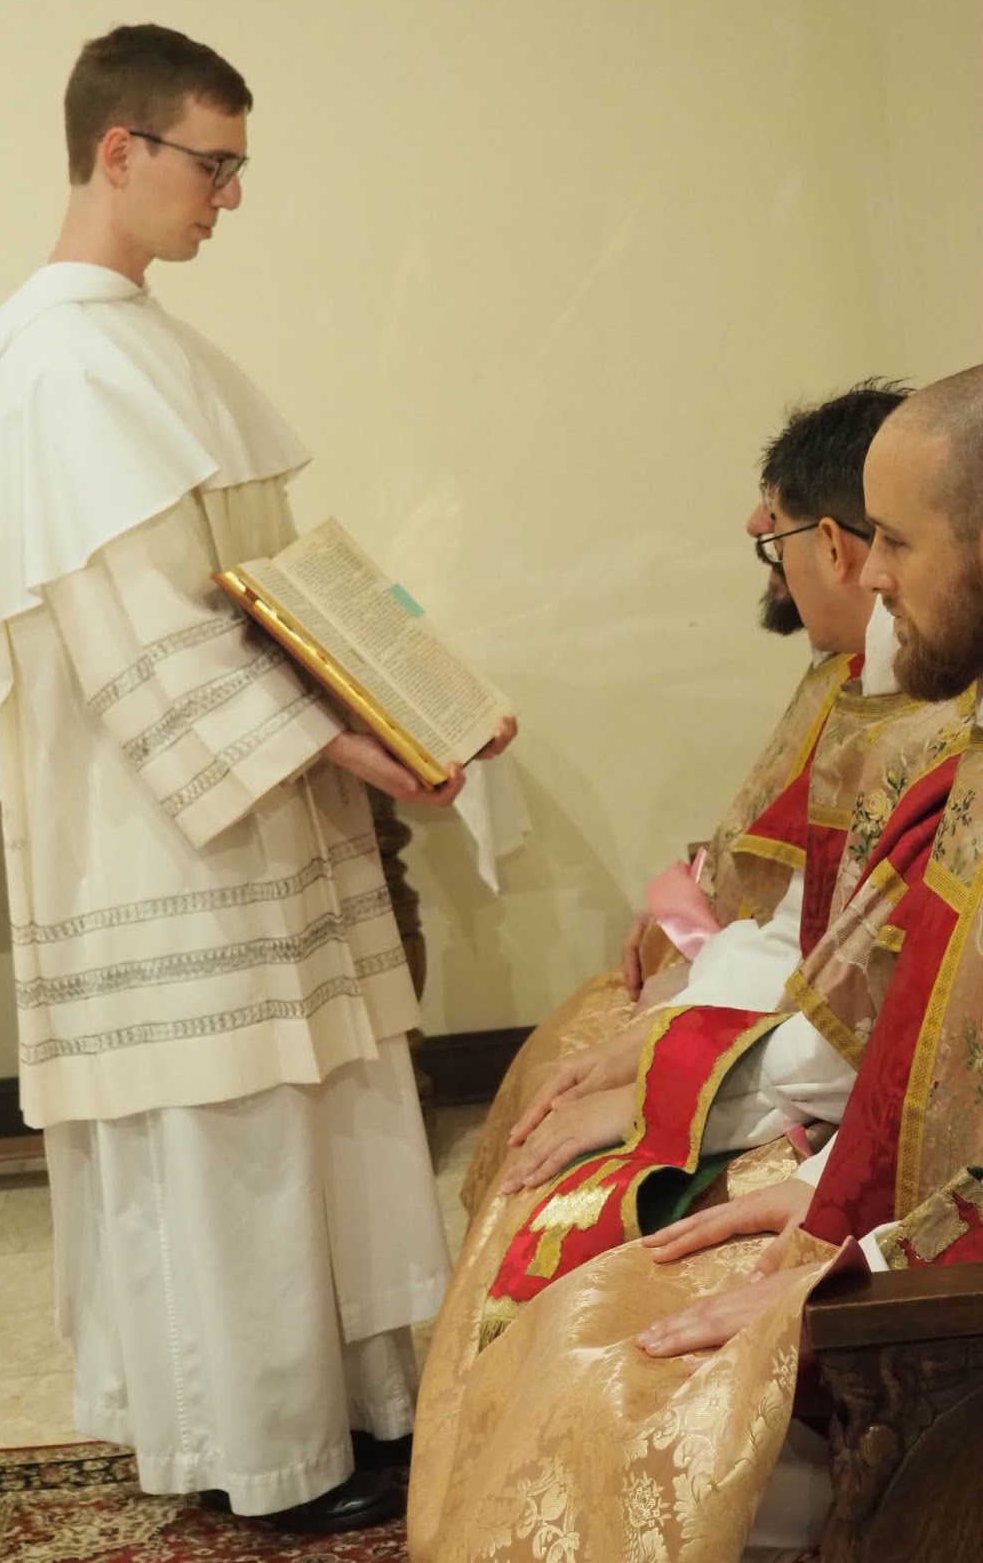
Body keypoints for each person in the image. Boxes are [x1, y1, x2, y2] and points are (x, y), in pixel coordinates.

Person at [0, 23, 514, 1532]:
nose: (232, 196)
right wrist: (353, 744)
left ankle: (354, 1411)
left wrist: (403, 684)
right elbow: (143, 632)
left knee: (306, 1106)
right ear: (118, 151)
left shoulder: (142, 341)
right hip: (171, 837)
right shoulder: (61, 363)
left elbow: (265, 586)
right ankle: (269, 1452)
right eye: (215, 164)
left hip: (254, 808)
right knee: (230, 1132)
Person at [407, 364, 983, 1563]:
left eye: (896, 541)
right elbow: (911, 1062)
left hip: (938, 1314)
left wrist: (863, 1253)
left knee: (603, 1405)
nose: (871, 576)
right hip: (890, 1228)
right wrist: (830, 1192)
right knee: (575, 1353)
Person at [463, 383, 907, 1217]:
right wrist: (665, 1044)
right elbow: (817, 924)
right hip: (805, 1067)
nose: (881, 578)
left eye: (903, 546)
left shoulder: (934, 721)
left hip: (868, 1148)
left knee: (572, 1214)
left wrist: (671, 1078)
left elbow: (897, 1027)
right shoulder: (875, 692)